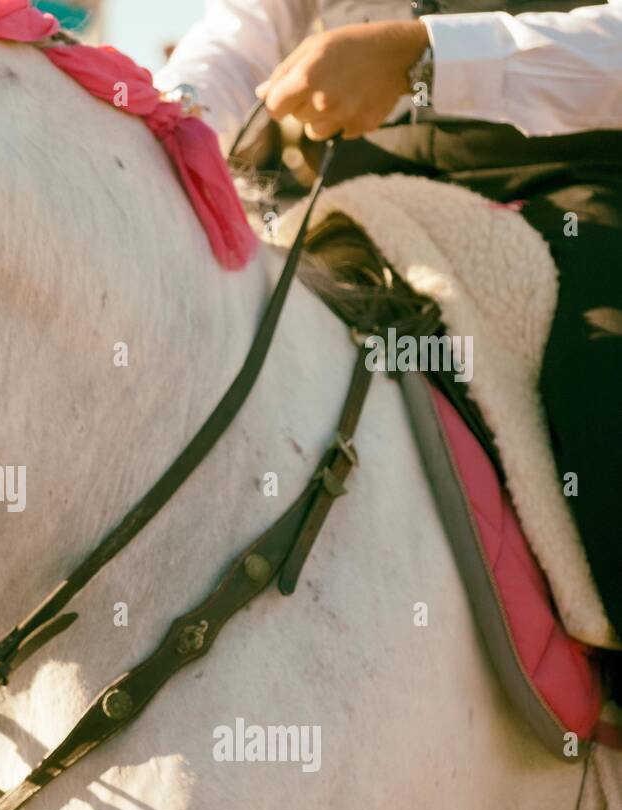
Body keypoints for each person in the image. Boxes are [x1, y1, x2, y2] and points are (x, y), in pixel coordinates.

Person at [158, 1, 622, 637]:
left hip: (580, 173)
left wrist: (424, 59)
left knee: (601, 385)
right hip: (354, 185)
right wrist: (174, 121)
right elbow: (243, 33)